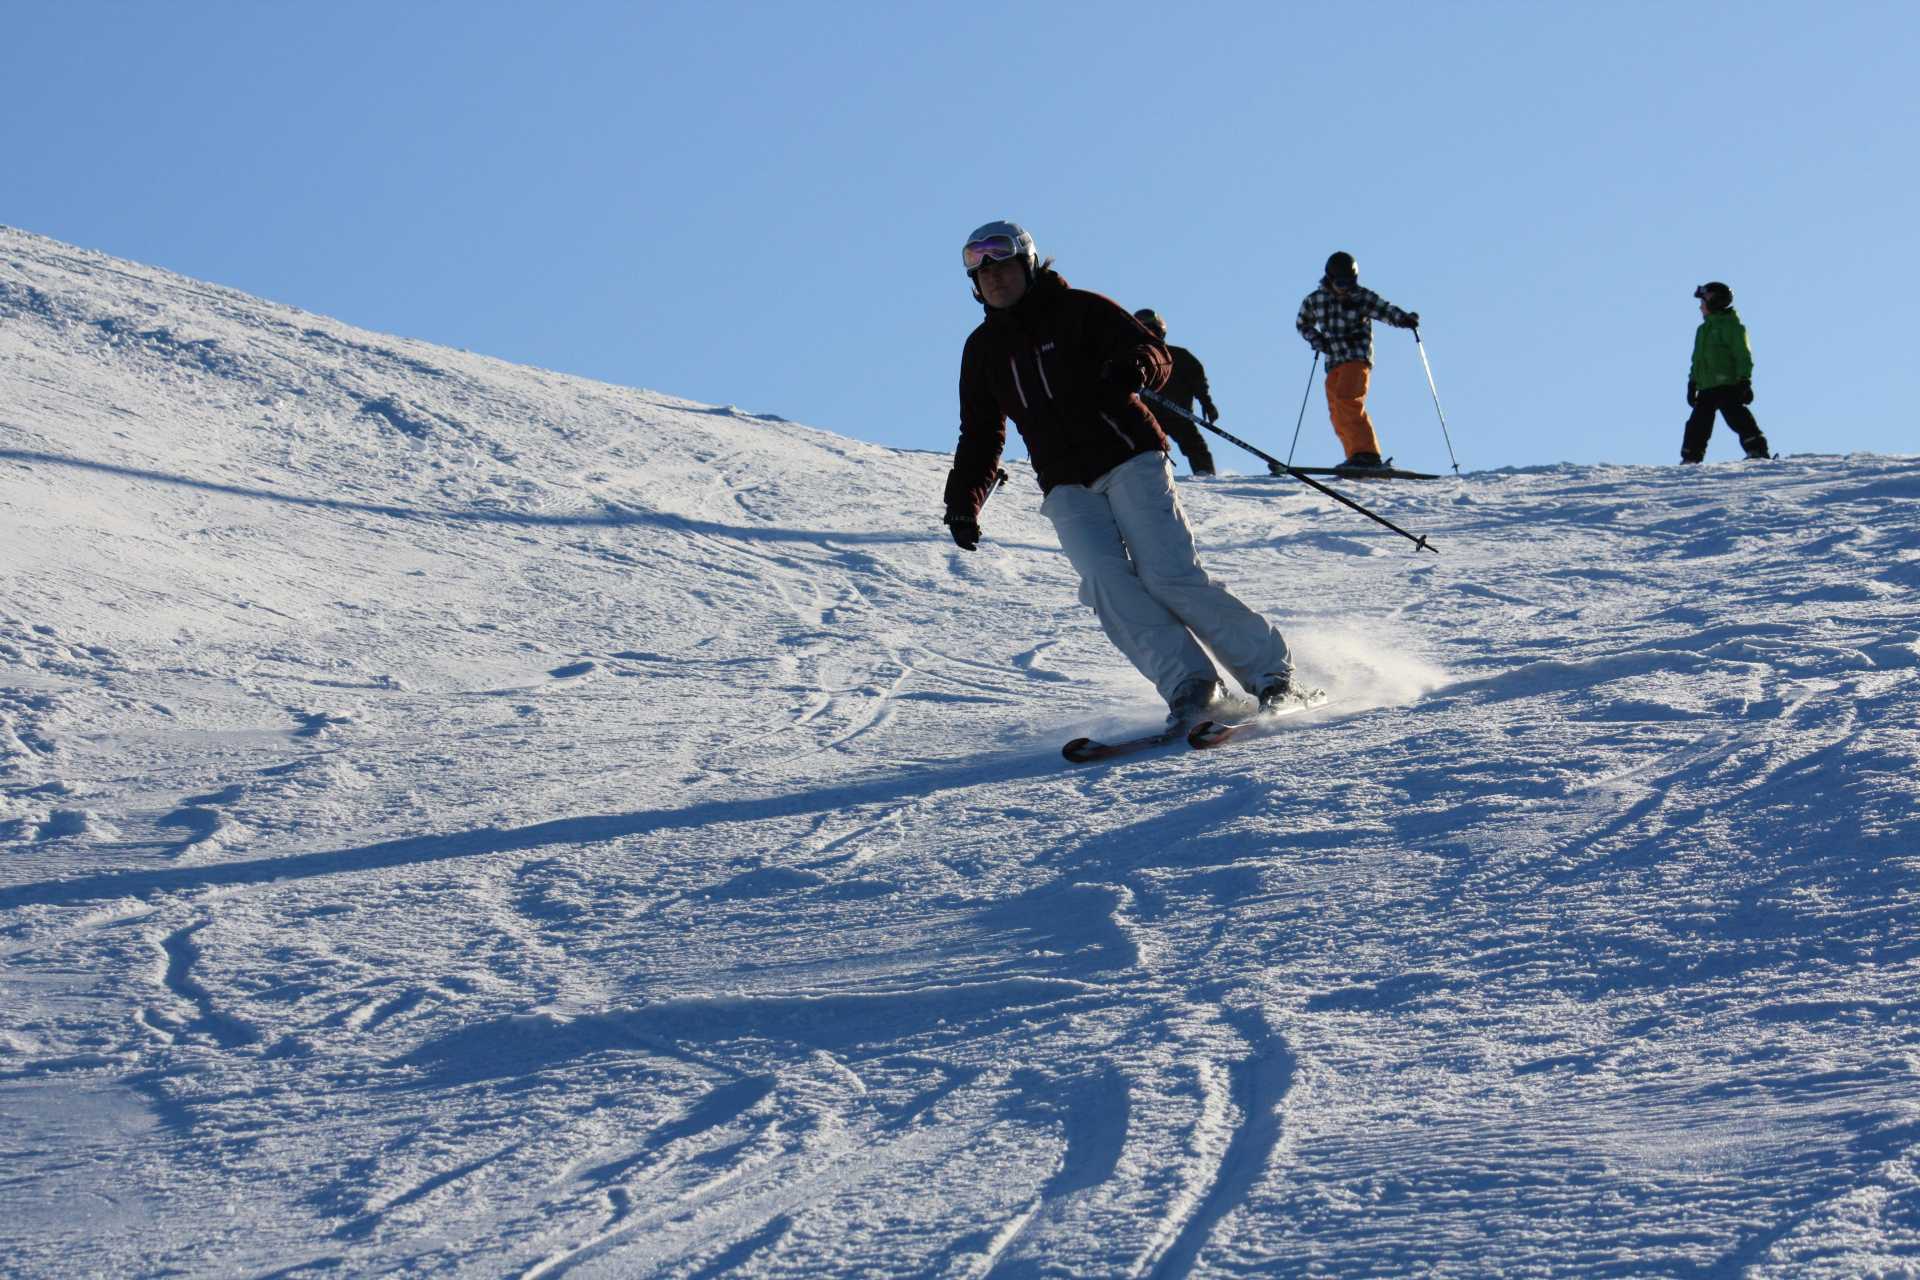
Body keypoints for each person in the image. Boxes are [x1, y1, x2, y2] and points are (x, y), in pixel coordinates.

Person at [942, 220, 1298, 728]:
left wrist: (1136, 367)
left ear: (1029, 264)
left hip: (1128, 455)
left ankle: (1273, 675)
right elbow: (980, 434)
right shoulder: (982, 350)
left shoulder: (1079, 309)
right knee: (1106, 584)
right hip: (1065, 481)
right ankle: (1192, 685)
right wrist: (964, 501)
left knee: (1167, 575)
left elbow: (1154, 352)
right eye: (982, 272)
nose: (994, 278)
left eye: (1003, 266)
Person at [1294, 251, 1419, 472]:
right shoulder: (1315, 299)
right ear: (1330, 279)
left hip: (1356, 357)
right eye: (1340, 283)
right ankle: (1355, 456)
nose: (1345, 288)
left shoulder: (1360, 297)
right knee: (1336, 410)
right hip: (1334, 361)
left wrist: (1404, 319)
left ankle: (1367, 454)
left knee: (1347, 399)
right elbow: (1303, 323)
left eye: (1349, 282)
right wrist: (1316, 339)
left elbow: (1385, 310)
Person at [1682, 281, 1771, 463]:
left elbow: (1742, 355)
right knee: (1697, 424)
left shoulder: (1732, 327)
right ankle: (1691, 457)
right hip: (1706, 386)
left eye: (1703, 302)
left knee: (1737, 416)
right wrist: (1692, 383)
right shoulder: (1703, 330)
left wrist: (1744, 380)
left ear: (1715, 302)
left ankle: (1757, 449)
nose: (1700, 307)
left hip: (1727, 384)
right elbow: (1697, 360)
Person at [1131, 309, 1217, 476]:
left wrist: (1207, 403)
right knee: (1141, 448)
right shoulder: (1135, 358)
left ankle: (1205, 475)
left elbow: (1198, 381)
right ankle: (1144, 479)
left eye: (1152, 331)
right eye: (1145, 332)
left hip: (1179, 414)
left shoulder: (1180, 356)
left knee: (1195, 445)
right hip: (1149, 415)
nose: (1150, 336)